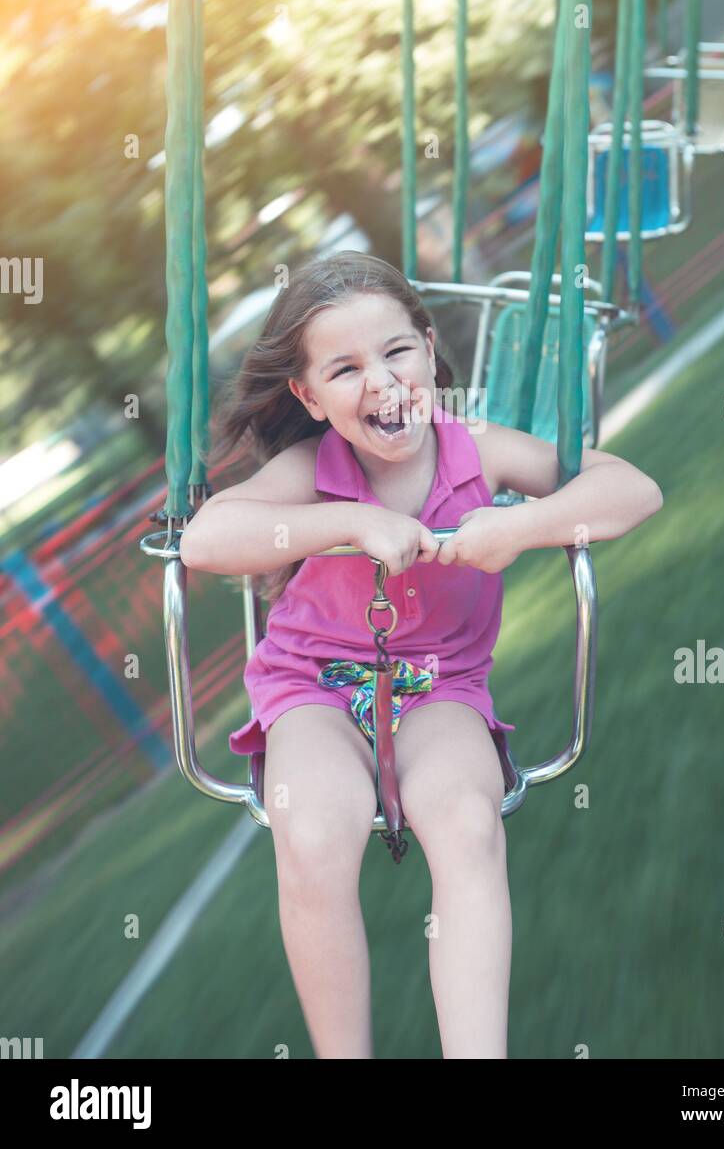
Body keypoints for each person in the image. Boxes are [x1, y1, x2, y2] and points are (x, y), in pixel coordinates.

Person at [180, 250, 663, 1059]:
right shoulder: (312, 471)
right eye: (344, 368)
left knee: (468, 822)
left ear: (429, 347)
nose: (382, 382)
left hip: (441, 689)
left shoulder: (479, 450)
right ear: (307, 394)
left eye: (397, 352)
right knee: (311, 831)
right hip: (316, 691)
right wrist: (348, 525)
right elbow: (205, 540)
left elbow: (631, 490)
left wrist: (518, 525)